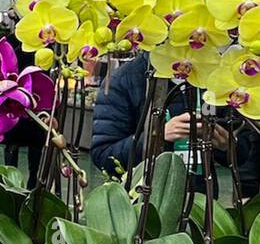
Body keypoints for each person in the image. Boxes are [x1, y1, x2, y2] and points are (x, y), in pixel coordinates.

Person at [90, 51, 258, 197]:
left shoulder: (213, 80)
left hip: (201, 198)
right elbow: (103, 155)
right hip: (141, 200)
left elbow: (242, 151)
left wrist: (227, 145)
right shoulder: (126, 79)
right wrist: (156, 137)